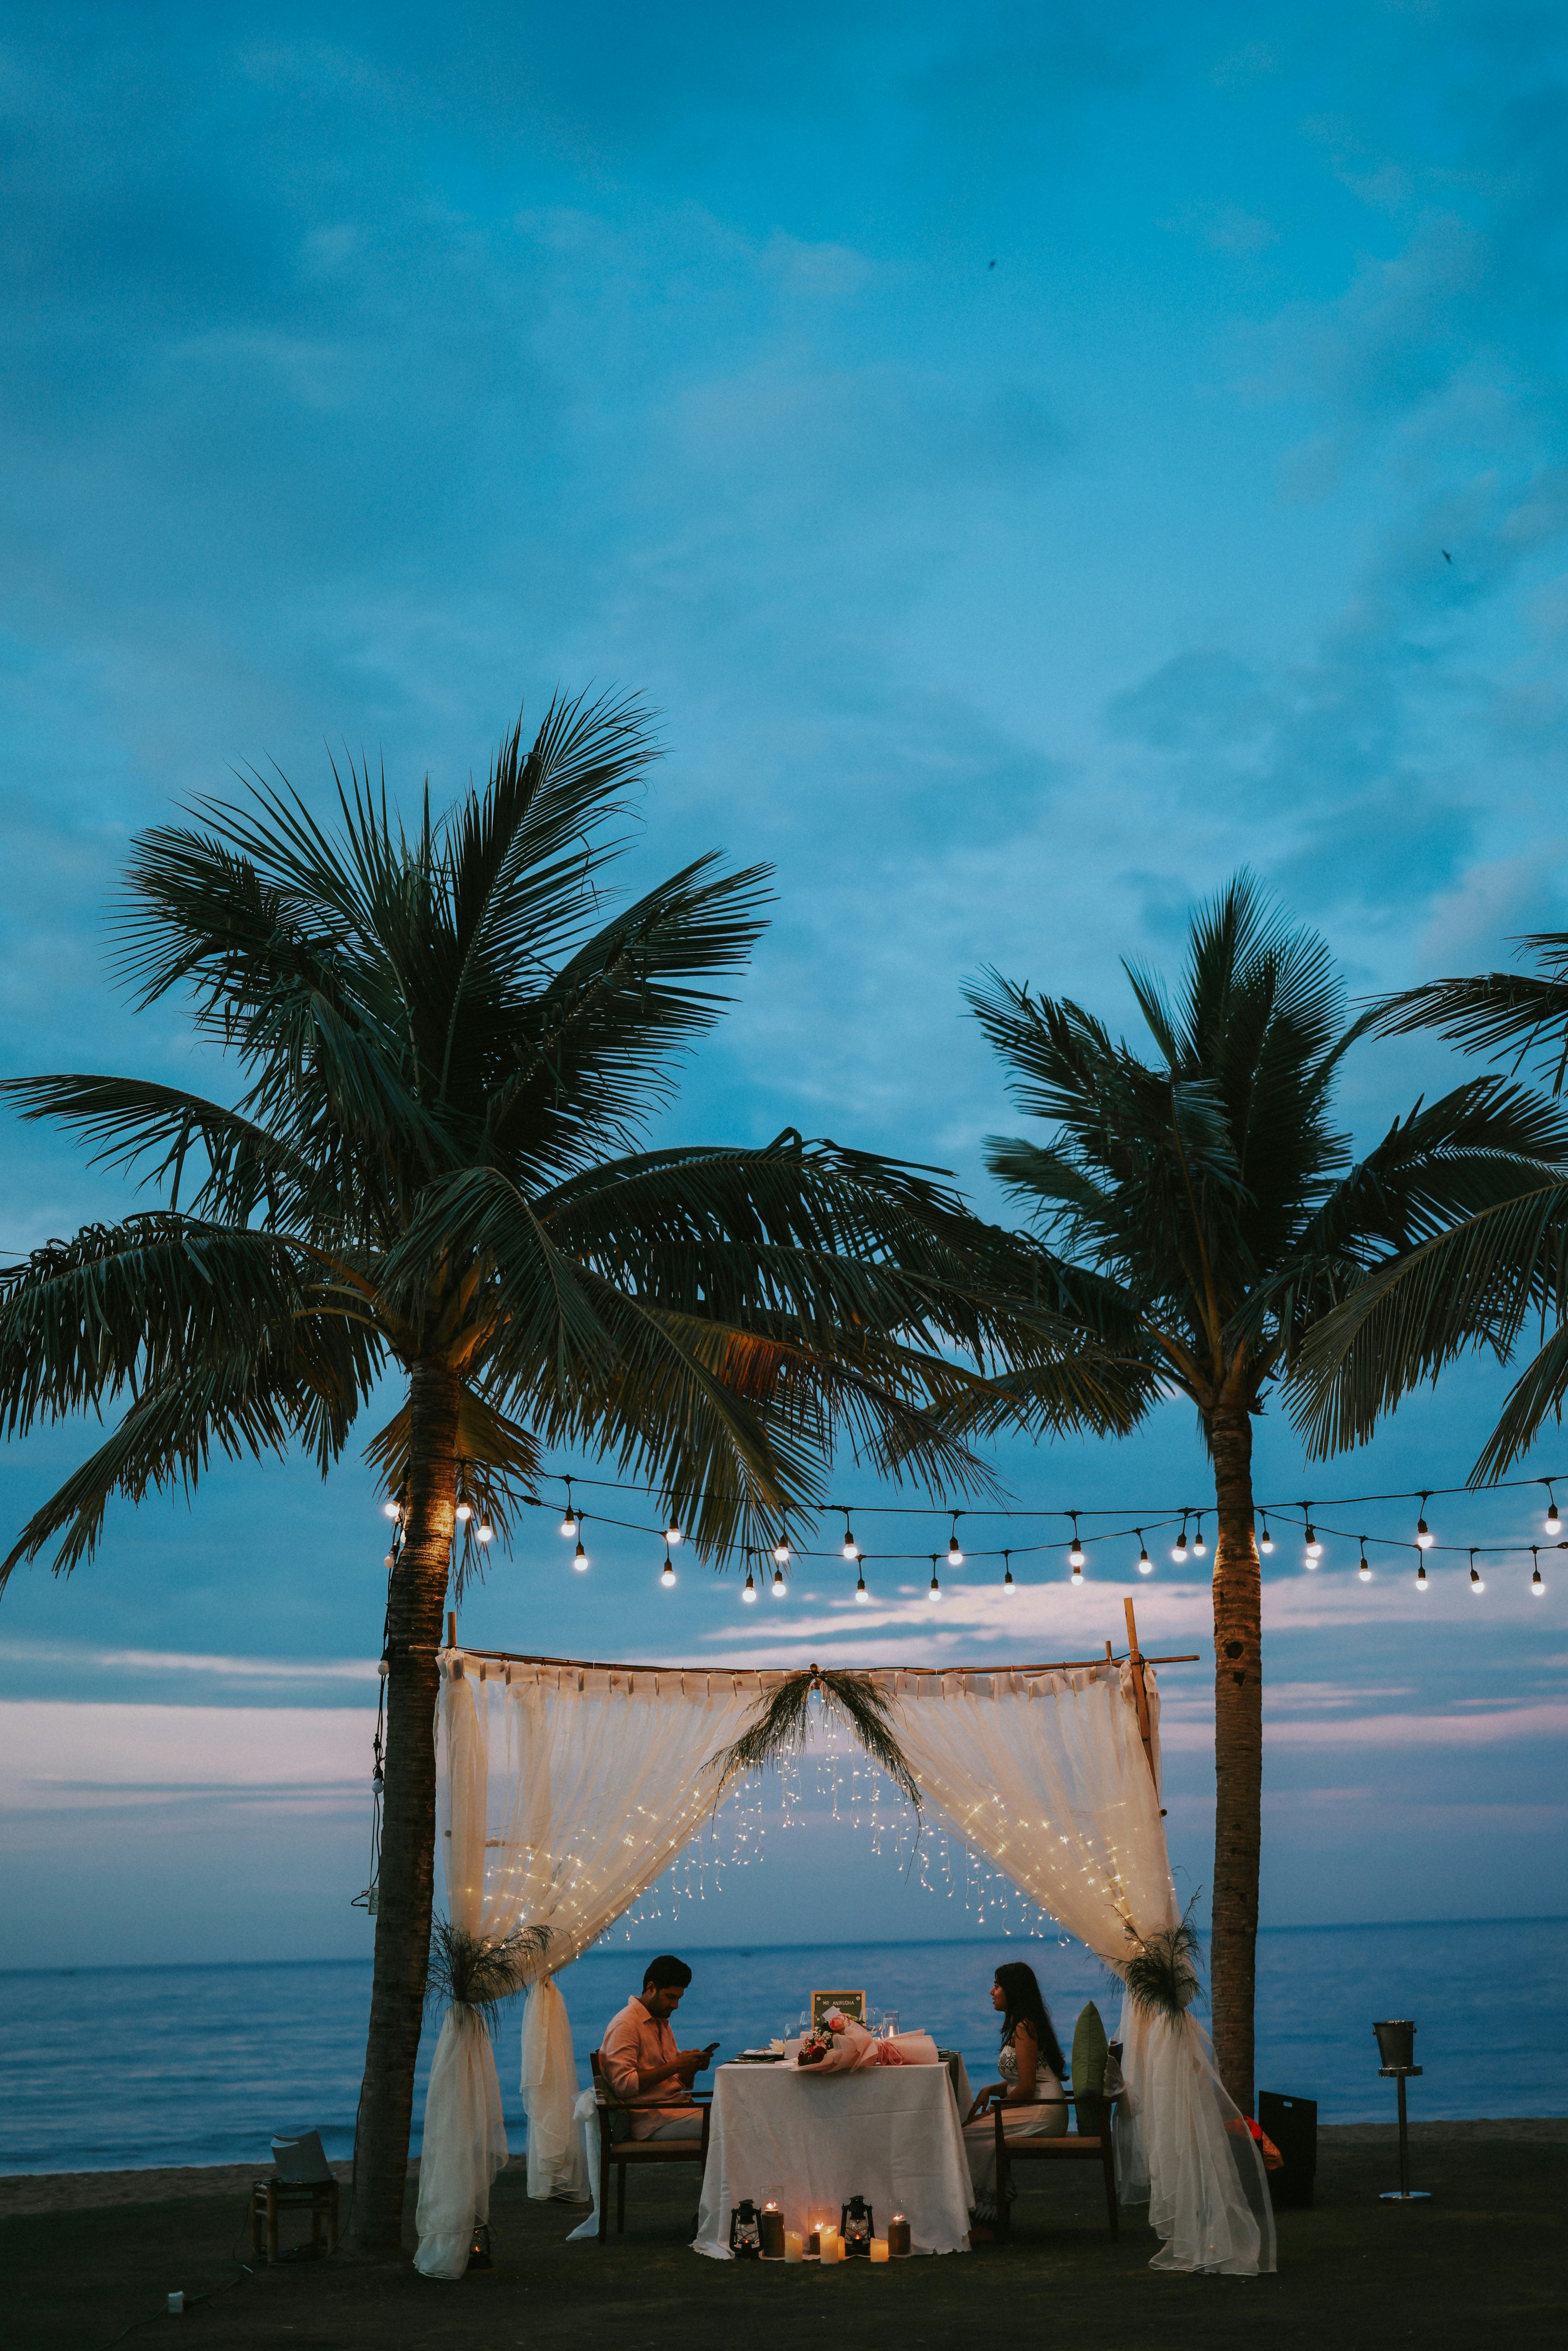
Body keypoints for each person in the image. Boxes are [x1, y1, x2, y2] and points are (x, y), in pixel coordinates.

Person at [962, 1961, 1069, 2236]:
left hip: (1045, 2111)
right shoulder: (1022, 2025)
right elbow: (1020, 2080)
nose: (992, 1992)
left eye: (997, 1986)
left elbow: (1028, 2087)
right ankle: (992, 2208)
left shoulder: (1025, 2028)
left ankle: (986, 2216)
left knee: (968, 2136)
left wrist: (993, 2113)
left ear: (1013, 1991)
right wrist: (992, 2090)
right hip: (1038, 2104)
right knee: (975, 2134)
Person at [600, 1955, 718, 2139]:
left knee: (737, 2119)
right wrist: (677, 2065)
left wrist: (690, 2068)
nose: (676, 2006)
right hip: (650, 2121)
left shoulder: (661, 2022)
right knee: (730, 2127)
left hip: (677, 2110)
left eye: (679, 1998)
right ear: (651, 1988)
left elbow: (673, 2080)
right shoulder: (626, 2025)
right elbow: (624, 2086)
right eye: (671, 1997)